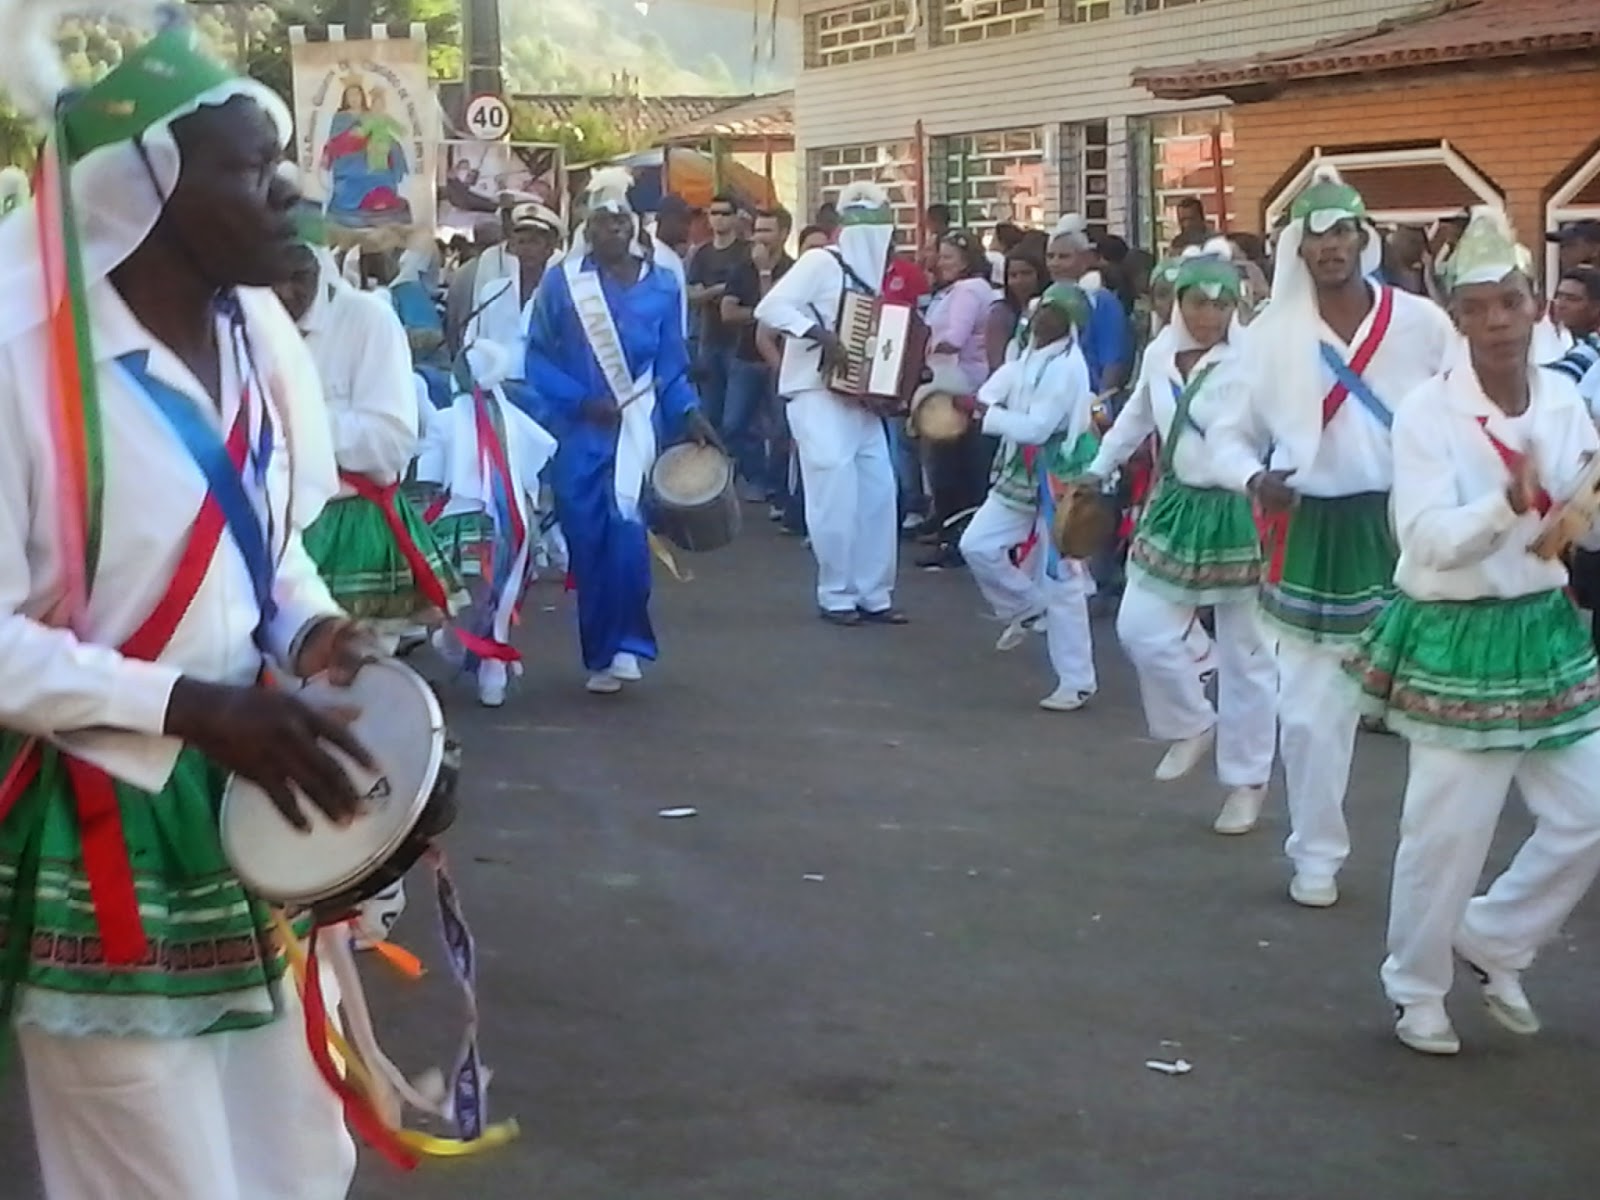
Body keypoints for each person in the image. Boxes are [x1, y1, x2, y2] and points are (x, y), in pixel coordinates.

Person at [0, 19, 374, 1197]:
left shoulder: (253, 341)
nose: (290, 192)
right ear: (149, 187)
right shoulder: (17, 359)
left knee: (296, 1147)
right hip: (94, 818)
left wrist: (309, 627)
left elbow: (269, 555)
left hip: (246, 802)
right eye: (251, 168)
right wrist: (188, 707)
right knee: (151, 1166)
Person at [1343, 208, 1600, 1056]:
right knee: (1447, 832)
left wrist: (1580, 510)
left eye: (1511, 304)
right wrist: (1507, 505)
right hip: (1458, 633)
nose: (1497, 321)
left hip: (1543, 627)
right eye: (1479, 307)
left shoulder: (1563, 397)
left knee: (1589, 811)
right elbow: (1422, 538)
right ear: (1457, 318)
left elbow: (1579, 523)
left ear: (1537, 309)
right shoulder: (1427, 413)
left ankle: (1493, 936)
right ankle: (1415, 985)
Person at [1209, 167, 1456, 909]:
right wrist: (1253, 478)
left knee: (1446, 708)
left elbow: (1467, 404)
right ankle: (1316, 852)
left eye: (1343, 231)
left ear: (1364, 238)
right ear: (1297, 248)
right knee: (1314, 713)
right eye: (1315, 236)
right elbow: (1228, 432)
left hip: (1410, 521)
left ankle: (1442, 873)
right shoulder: (1269, 336)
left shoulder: (1420, 322)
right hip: (1315, 528)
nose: (1331, 247)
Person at [1085, 246, 1276, 835]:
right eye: (1198, 302)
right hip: (1174, 507)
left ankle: (1247, 782)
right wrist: (1097, 469)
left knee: (1249, 656)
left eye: (1222, 304)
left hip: (1240, 511)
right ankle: (1191, 721)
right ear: (1177, 301)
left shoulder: (1255, 364)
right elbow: (1135, 420)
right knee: (1139, 626)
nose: (1209, 315)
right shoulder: (1160, 356)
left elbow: (1281, 430)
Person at [525, 168, 717, 693]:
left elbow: (671, 365)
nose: (609, 230)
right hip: (580, 435)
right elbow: (537, 357)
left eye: (618, 221)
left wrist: (689, 413)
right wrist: (581, 401)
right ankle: (601, 648)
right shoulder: (562, 285)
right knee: (588, 543)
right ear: (586, 228)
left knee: (629, 537)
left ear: (634, 225)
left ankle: (630, 644)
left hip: (636, 430)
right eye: (599, 222)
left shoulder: (662, 284)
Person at [276, 239, 464, 654]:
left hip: (350, 526)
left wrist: (294, 423)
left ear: (321, 265)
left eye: (298, 278)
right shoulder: (243, 318)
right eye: (271, 277)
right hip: (270, 529)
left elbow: (391, 443)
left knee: (354, 681)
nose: (285, 293)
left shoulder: (368, 320)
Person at [755, 181, 907, 626]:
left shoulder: (877, 277)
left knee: (879, 493)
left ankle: (874, 593)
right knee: (834, 493)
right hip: (815, 392)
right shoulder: (821, 262)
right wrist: (819, 334)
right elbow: (771, 307)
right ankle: (836, 593)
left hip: (860, 401)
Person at [956, 284, 1100, 711]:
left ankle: (1077, 681)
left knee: (1064, 579)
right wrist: (982, 402)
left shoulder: (1069, 368)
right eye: (1042, 308)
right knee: (976, 544)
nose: (1043, 318)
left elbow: (1038, 428)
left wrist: (987, 414)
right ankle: (1026, 606)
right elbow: (997, 386)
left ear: (1069, 324)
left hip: (1061, 472)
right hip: (1021, 467)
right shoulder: (1028, 352)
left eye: (1054, 313)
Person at [416, 341, 558, 707]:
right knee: (499, 595)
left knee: (461, 596)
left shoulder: (444, 420)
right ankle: (491, 672)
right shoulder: (515, 419)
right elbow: (540, 459)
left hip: (458, 525)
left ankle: (454, 643)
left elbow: (430, 477)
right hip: (511, 526)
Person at [919, 229, 1001, 570]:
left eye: (949, 256)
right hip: (967, 382)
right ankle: (956, 533)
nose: (941, 262)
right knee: (962, 467)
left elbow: (954, 337)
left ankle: (953, 538)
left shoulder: (967, 291)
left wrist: (921, 347)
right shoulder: (974, 289)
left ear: (967, 260)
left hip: (957, 384)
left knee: (949, 467)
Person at [722, 206, 796, 502]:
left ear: (784, 233)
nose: (759, 237)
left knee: (780, 430)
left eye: (767, 230)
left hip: (780, 359)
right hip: (745, 357)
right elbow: (728, 312)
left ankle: (776, 488)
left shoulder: (793, 270)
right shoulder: (741, 269)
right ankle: (756, 476)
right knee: (733, 424)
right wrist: (760, 313)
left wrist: (765, 274)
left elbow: (775, 316)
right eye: (757, 230)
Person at [466, 200, 563, 394]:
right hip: (496, 390)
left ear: (550, 248)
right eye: (521, 242)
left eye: (535, 242)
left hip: (546, 395)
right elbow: (473, 342)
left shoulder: (561, 296)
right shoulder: (493, 292)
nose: (527, 249)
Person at [685, 192, 750, 428]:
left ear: (735, 218)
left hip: (741, 344)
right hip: (709, 338)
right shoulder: (701, 254)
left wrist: (710, 291)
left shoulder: (746, 252)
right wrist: (721, 289)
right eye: (714, 213)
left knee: (736, 417)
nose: (719, 218)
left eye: (725, 213)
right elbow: (692, 297)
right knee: (710, 409)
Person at [986, 245, 1048, 372]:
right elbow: (996, 363)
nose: (1020, 281)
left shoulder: (1050, 308)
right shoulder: (1001, 312)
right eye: (1013, 275)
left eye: (1026, 273)